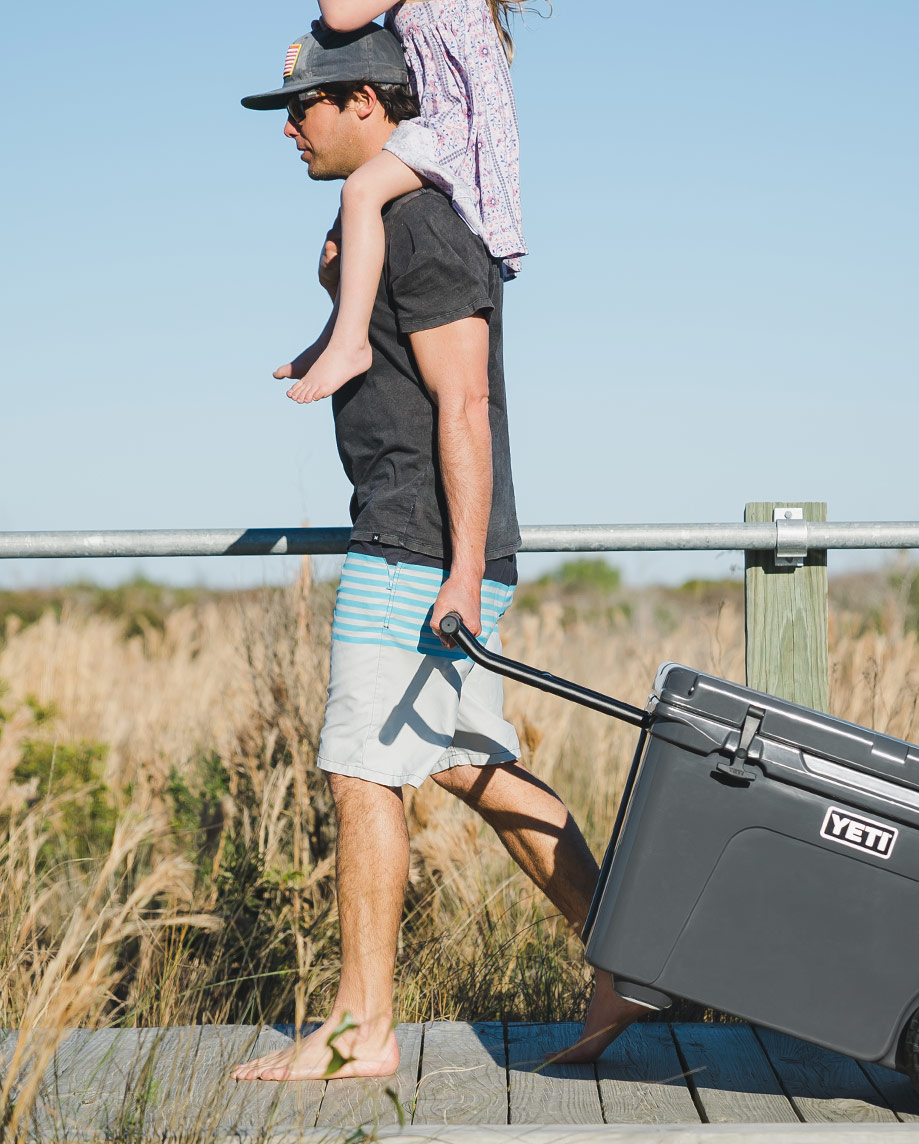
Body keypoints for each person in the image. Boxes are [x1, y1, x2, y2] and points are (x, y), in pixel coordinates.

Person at [235, 22, 636, 1081]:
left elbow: (463, 403)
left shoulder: (419, 223)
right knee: (466, 764)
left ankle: (361, 1031)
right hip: (430, 539)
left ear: (371, 103)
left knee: (359, 770)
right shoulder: (387, 227)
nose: (291, 130)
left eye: (305, 109)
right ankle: (628, 956)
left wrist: (460, 569)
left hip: (418, 543)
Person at [275, 0, 527, 406]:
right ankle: (334, 336)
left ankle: (351, 345)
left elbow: (340, 14)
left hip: (450, 124)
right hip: (439, 118)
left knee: (359, 191)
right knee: (350, 222)